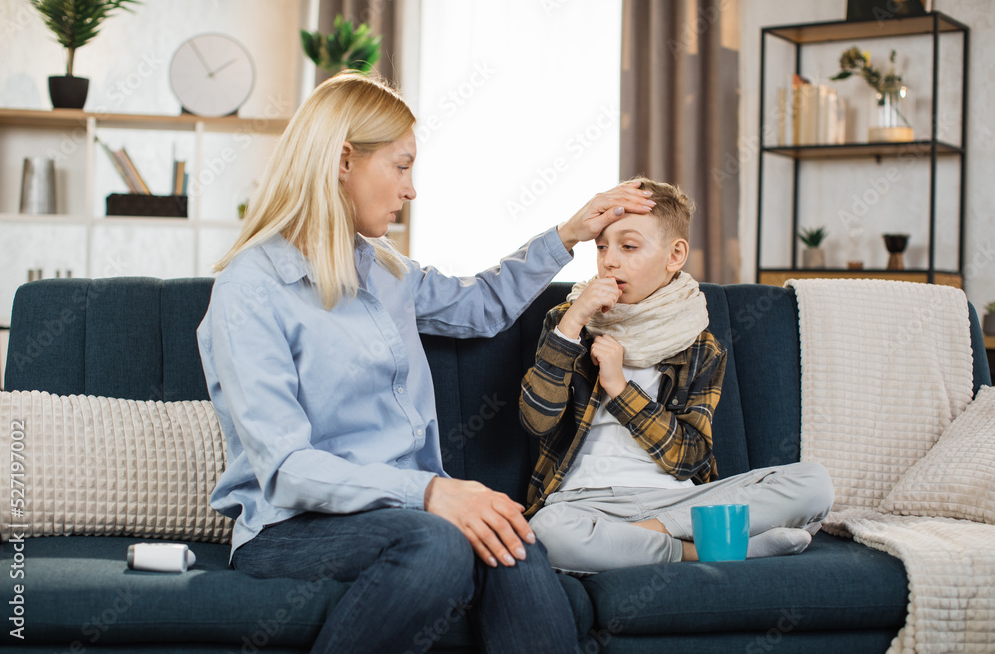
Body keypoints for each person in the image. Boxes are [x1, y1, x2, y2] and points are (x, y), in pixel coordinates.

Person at [195, 70, 656, 653]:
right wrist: (431, 494)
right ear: (343, 161)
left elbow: (481, 306)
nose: (411, 189)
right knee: (438, 541)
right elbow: (286, 468)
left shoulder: (385, 269)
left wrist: (567, 234)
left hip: (409, 512)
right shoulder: (251, 289)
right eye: (401, 165)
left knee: (509, 535)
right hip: (293, 528)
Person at [519, 178, 835, 575]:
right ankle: (703, 551)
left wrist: (619, 389)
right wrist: (572, 325)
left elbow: (689, 458)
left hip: (680, 504)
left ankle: (641, 539)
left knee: (814, 482)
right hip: (585, 503)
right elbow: (537, 420)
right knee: (547, 532)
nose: (609, 261)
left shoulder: (699, 343)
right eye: (601, 246)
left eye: (628, 246)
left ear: (675, 255)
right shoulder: (567, 321)